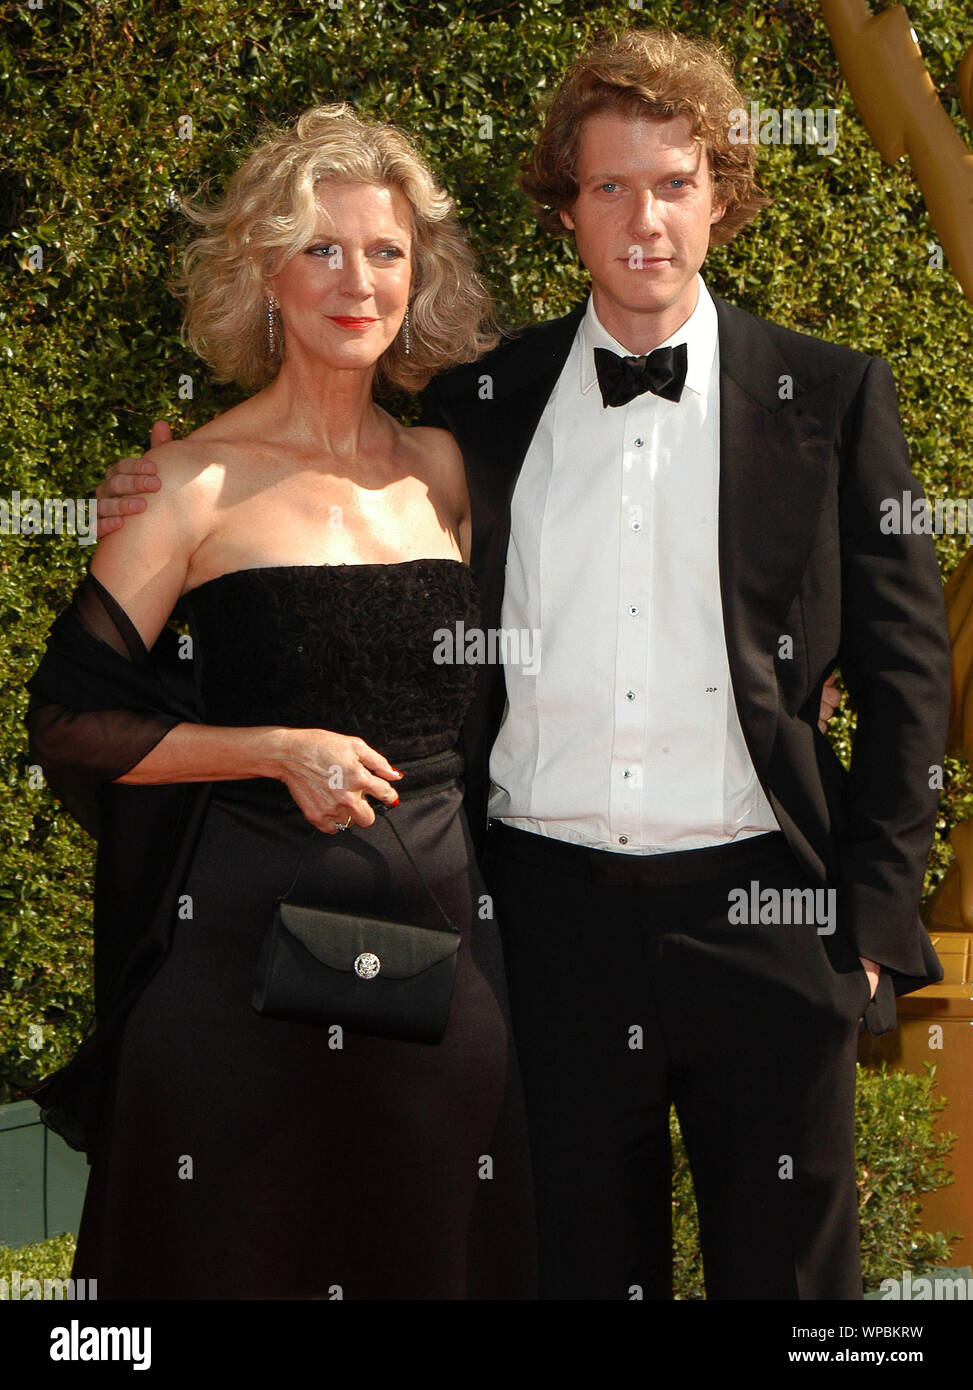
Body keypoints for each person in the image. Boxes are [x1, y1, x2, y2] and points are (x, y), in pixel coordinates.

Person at [93, 28, 947, 1302]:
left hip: (769, 923)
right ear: (565, 208)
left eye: (673, 183)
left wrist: (870, 931)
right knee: (572, 1274)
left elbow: (905, 676)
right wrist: (158, 493)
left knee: (797, 1295)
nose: (643, 220)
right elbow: (330, 502)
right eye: (609, 186)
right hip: (540, 931)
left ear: (722, 196)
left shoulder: (831, 396)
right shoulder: (481, 408)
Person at [25, 104, 535, 1300]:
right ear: (263, 270)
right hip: (237, 975)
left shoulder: (449, 470)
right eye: (320, 248)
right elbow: (69, 721)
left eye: (386, 251)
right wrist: (271, 748)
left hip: (444, 962)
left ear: (424, 272)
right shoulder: (190, 485)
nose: (357, 280)